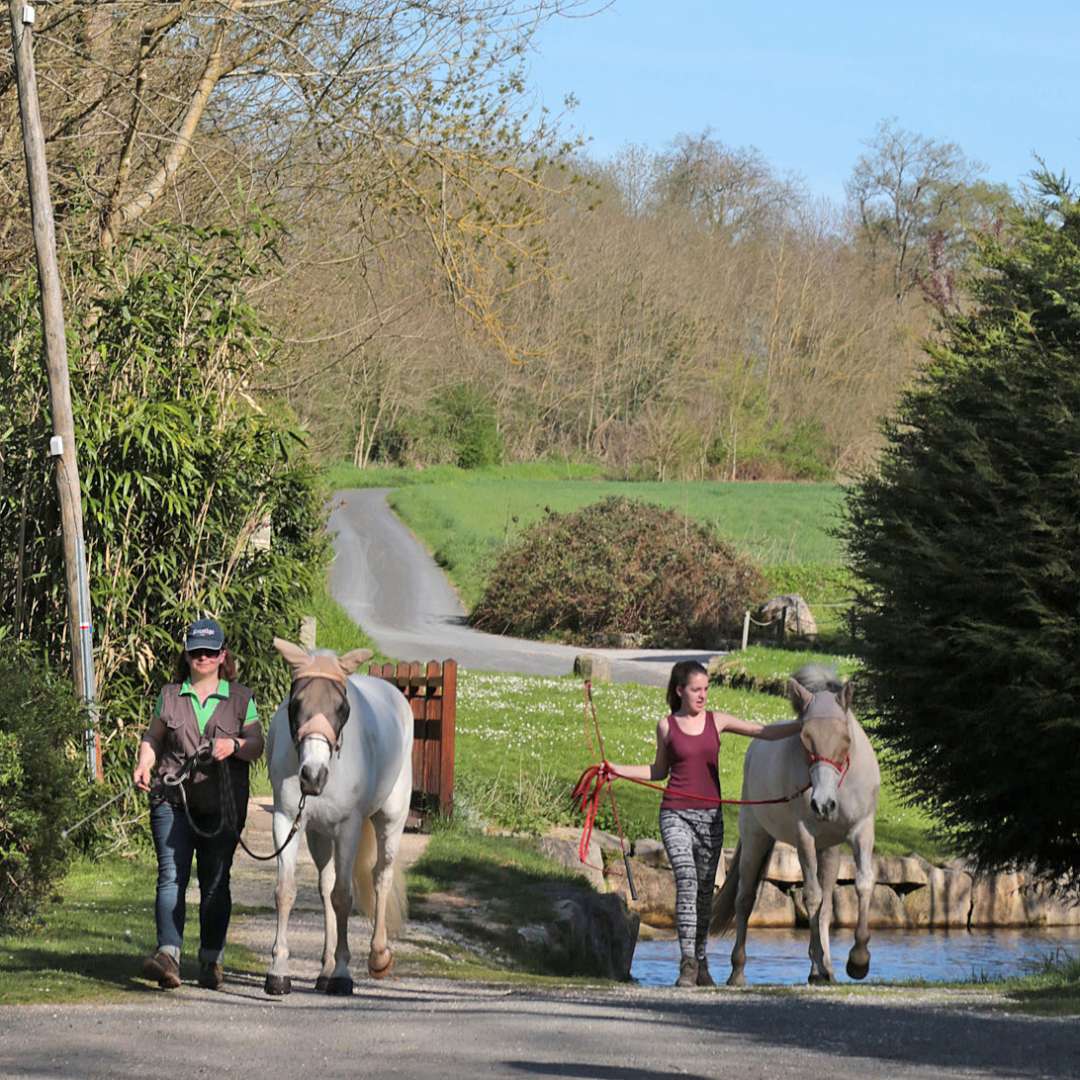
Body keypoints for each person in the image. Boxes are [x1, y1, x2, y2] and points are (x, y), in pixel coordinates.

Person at [606, 659, 801, 988]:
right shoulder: (666, 726)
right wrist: (617, 768)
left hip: (710, 819)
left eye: (706, 689)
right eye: (696, 689)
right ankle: (687, 965)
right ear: (680, 690)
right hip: (676, 814)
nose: (702, 695)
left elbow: (763, 732)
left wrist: (803, 725)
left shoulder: (717, 721)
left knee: (703, 896)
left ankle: (701, 962)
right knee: (686, 881)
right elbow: (658, 771)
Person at [133, 618, 264, 990]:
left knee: (215, 882)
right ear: (188, 655)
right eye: (196, 651)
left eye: (210, 651)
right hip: (171, 799)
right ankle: (168, 956)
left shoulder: (242, 698)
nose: (203, 657)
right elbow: (154, 735)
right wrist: (144, 761)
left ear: (223, 655)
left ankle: (211, 961)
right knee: (171, 875)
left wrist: (235, 745)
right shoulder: (170, 694)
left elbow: (257, 744)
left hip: (222, 804)